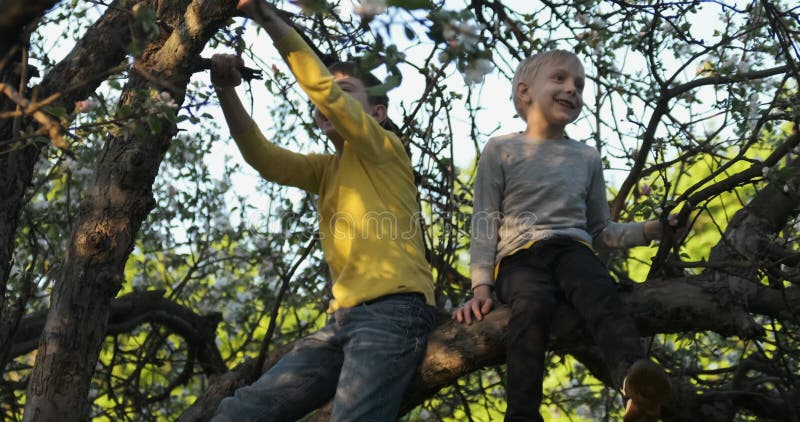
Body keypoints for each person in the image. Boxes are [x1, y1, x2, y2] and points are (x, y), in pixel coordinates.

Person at [209, 0, 436, 420]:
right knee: (238, 413)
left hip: (394, 312)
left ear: (377, 113)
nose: (329, 103)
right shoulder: (325, 169)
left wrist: (267, 18)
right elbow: (263, 157)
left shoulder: (385, 149)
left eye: (346, 94)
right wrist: (225, 90)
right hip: (340, 322)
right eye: (329, 98)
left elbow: (325, 94)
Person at [452, 49, 678, 422]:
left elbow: (600, 231)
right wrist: (481, 288)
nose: (572, 89)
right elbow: (484, 220)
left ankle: (633, 380)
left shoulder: (586, 156)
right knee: (531, 306)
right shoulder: (501, 149)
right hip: (518, 257)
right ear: (525, 92)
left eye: (580, 85)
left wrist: (651, 230)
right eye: (560, 79)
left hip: (573, 249)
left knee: (600, 293)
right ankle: (522, 414)